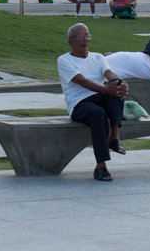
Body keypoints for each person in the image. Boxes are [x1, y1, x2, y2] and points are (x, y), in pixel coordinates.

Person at [58, 22, 128, 182]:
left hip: (99, 97)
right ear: (70, 41)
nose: (85, 40)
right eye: (80, 36)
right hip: (80, 104)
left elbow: (109, 73)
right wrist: (106, 89)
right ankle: (101, 166)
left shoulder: (98, 57)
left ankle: (115, 138)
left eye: (87, 35)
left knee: (116, 90)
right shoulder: (64, 60)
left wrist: (120, 83)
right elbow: (82, 81)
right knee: (99, 114)